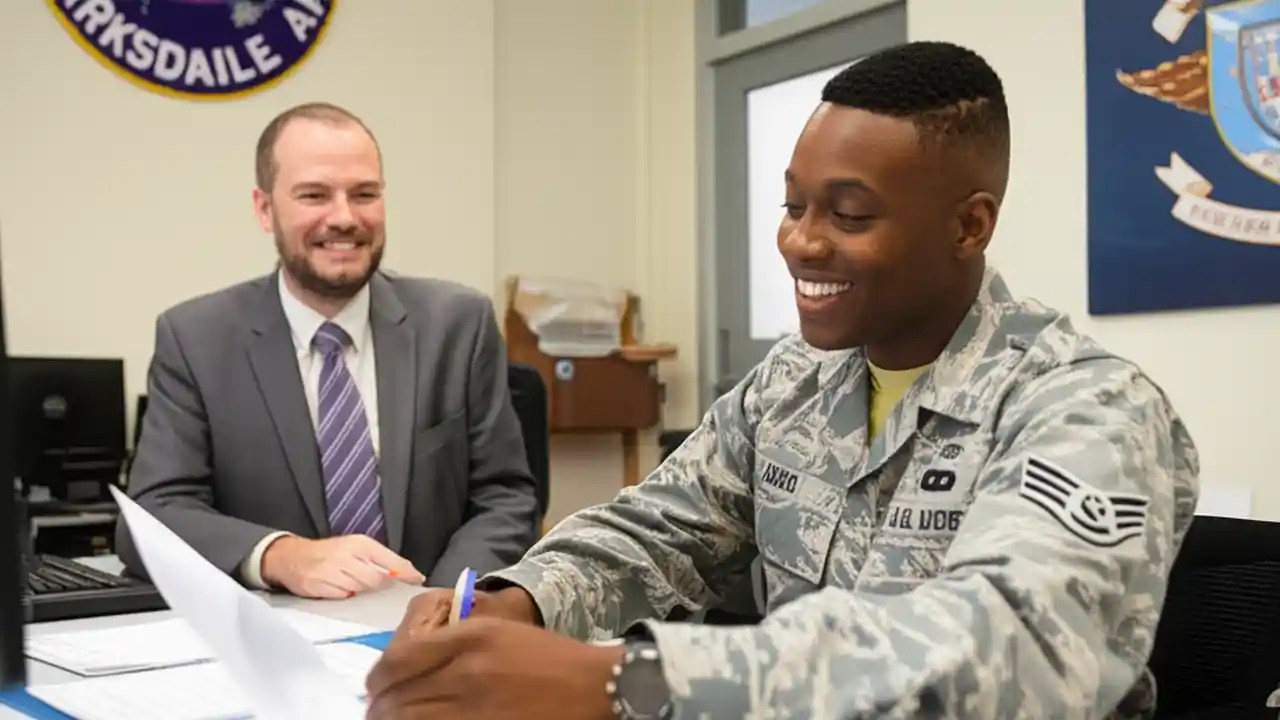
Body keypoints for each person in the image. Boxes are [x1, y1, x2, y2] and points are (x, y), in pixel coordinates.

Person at [364, 42, 1200, 719]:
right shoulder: (797, 379)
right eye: (792, 206)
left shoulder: (1089, 407)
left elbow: (1013, 653)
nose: (801, 243)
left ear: (969, 225)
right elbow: (663, 528)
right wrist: (519, 601)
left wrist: (625, 681)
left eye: (848, 214)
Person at [116, 102, 539, 600]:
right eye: (314, 195)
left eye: (365, 194)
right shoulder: (196, 338)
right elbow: (152, 514)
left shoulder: (458, 324)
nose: (344, 218)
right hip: (273, 637)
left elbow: (506, 498)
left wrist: (437, 609)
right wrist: (281, 556)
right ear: (264, 208)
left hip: (431, 635)